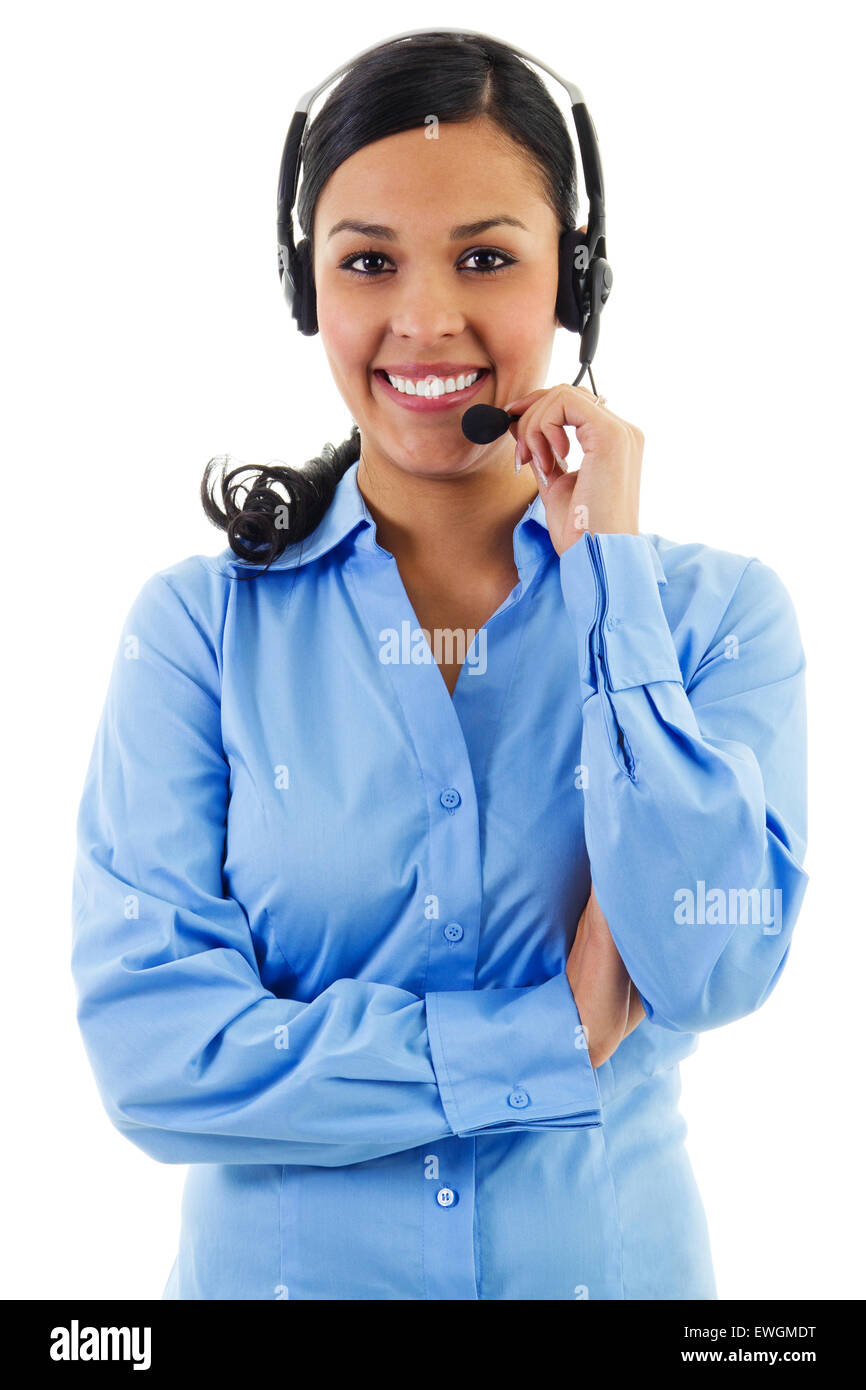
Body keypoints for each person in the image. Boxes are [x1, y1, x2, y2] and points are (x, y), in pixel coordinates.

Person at [71, 30, 809, 1300]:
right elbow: (154, 1056)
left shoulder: (711, 617)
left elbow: (710, 964)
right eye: (366, 262)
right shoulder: (197, 633)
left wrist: (610, 587)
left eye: (485, 257)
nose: (424, 320)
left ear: (573, 281)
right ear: (306, 289)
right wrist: (545, 1040)